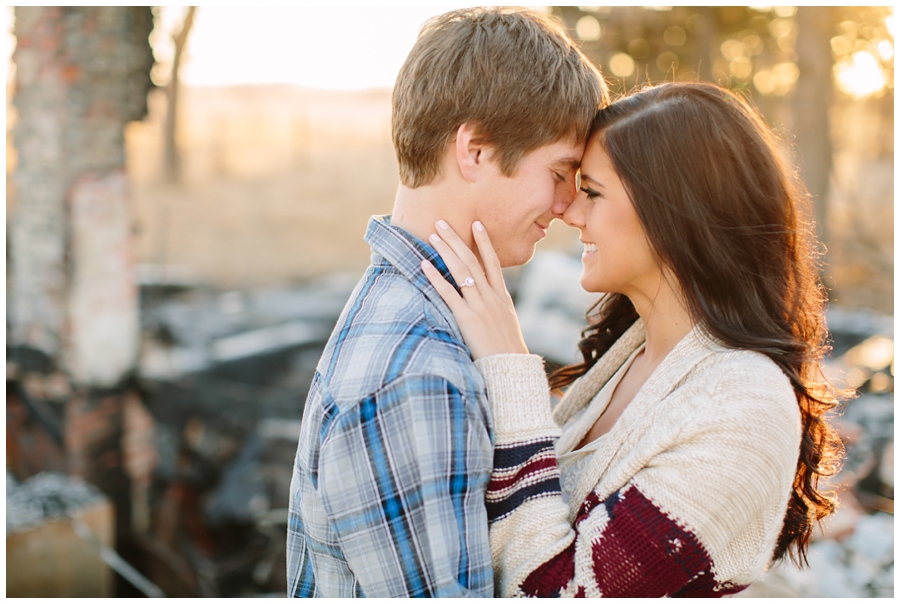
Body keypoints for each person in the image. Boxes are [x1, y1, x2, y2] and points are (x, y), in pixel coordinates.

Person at [423, 81, 846, 598]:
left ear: (673, 214)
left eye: (593, 193)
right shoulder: (634, 353)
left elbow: (561, 594)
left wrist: (510, 368)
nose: (569, 212)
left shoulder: (745, 404)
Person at [286, 7, 607, 598]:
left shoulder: (427, 316)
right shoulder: (416, 375)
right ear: (476, 151)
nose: (567, 205)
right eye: (560, 171)